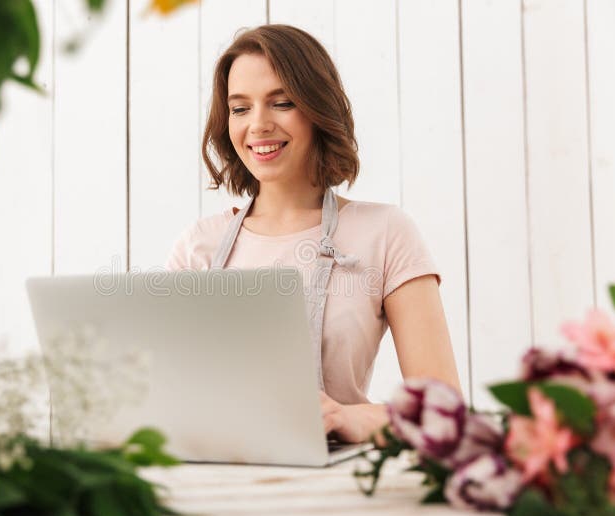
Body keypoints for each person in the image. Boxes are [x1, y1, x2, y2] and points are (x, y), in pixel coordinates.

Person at [166, 24, 461, 444]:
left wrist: (354, 418)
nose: (259, 125)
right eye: (240, 108)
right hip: (216, 484)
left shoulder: (386, 233)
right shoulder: (198, 246)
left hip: (337, 488)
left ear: (317, 108)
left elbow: (445, 413)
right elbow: (167, 399)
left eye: (281, 103)